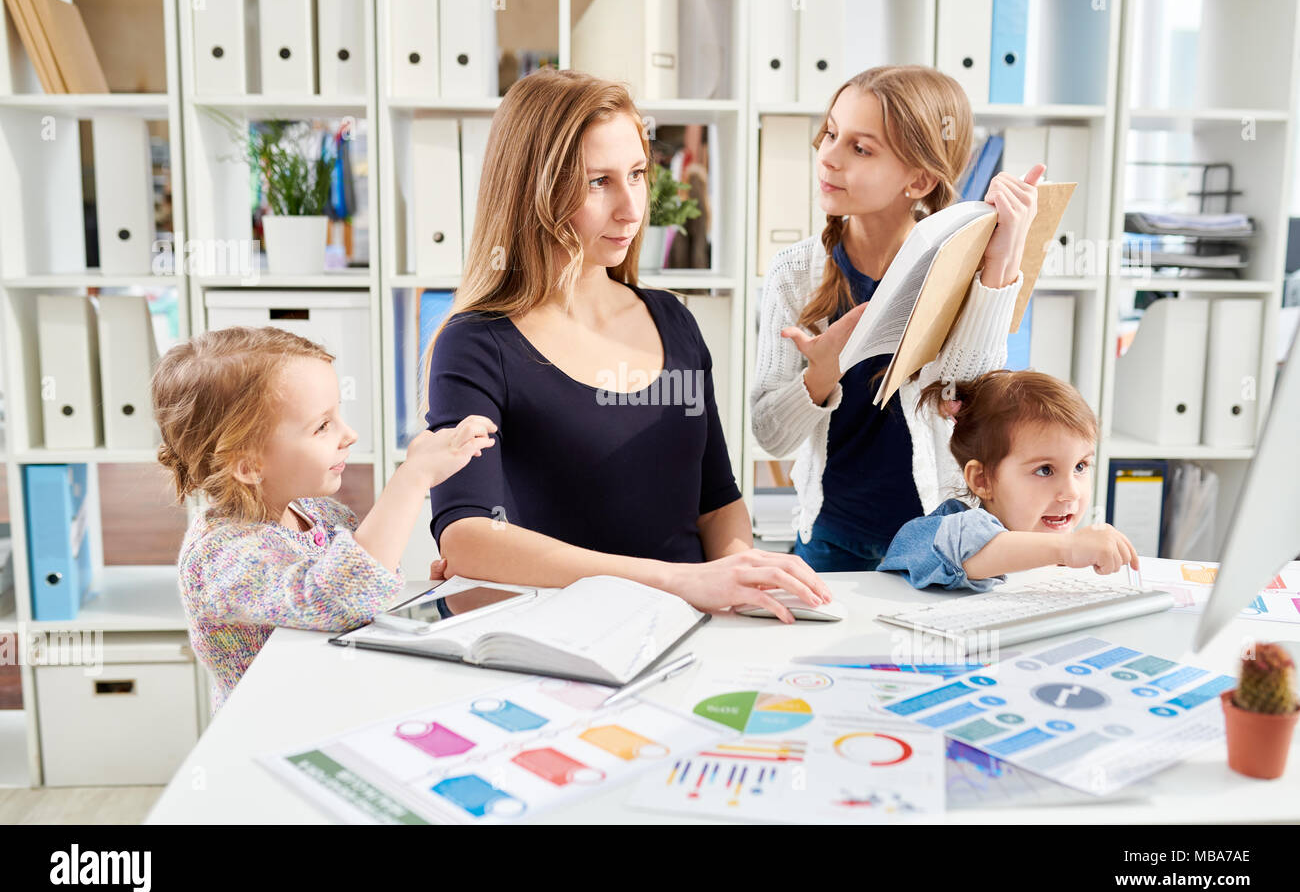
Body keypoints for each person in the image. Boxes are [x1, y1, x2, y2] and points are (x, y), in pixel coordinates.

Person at [423, 68, 831, 624]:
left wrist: (742, 572)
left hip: (693, 628)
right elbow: (468, 537)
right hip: (559, 637)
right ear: (531, 190)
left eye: (637, 174)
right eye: (598, 182)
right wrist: (681, 581)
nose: (631, 209)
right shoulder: (476, 343)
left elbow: (717, 501)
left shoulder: (673, 321)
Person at [751, 64, 1045, 571]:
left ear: (920, 179)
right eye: (830, 134)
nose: (829, 157)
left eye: (860, 149)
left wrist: (1004, 256)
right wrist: (820, 374)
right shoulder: (793, 273)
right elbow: (770, 436)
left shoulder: (955, 262)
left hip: (940, 537)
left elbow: (970, 393)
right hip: (831, 538)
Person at [151, 326, 495, 711]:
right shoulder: (220, 557)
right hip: (271, 735)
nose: (349, 434)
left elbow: (357, 604)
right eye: (322, 425)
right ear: (248, 464)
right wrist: (412, 479)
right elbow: (340, 598)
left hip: (336, 708)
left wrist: (411, 596)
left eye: (338, 416)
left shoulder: (323, 515)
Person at [879, 370, 1140, 590]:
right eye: (1045, 470)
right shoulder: (947, 530)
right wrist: (1066, 548)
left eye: (1080, 466)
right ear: (982, 480)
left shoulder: (1066, 552)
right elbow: (968, 547)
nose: (1071, 492)